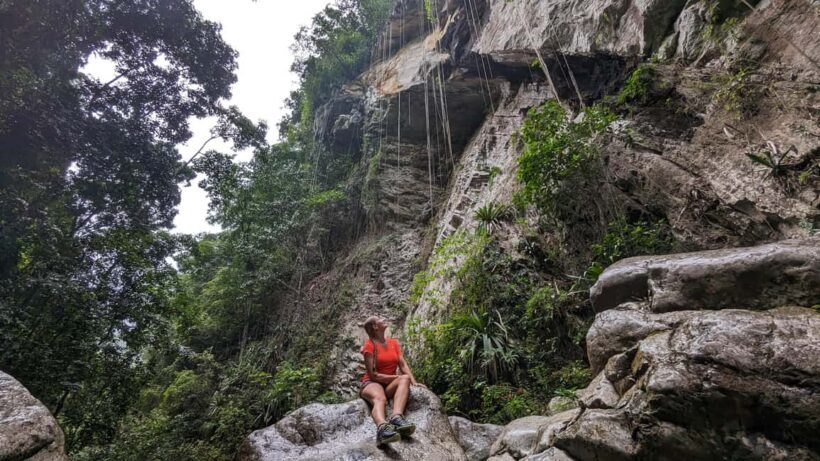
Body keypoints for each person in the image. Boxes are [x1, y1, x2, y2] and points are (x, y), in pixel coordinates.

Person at [359, 316, 424, 446]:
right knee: (380, 398)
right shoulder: (369, 346)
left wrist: (413, 381)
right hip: (371, 383)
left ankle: (396, 418)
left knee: (404, 378)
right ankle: (382, 429)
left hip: (388, 384)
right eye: (380, 319)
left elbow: (403, 365)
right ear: (375, 327)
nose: (384, 319)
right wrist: (396, 377)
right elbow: (373, 376)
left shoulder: (393, 343)